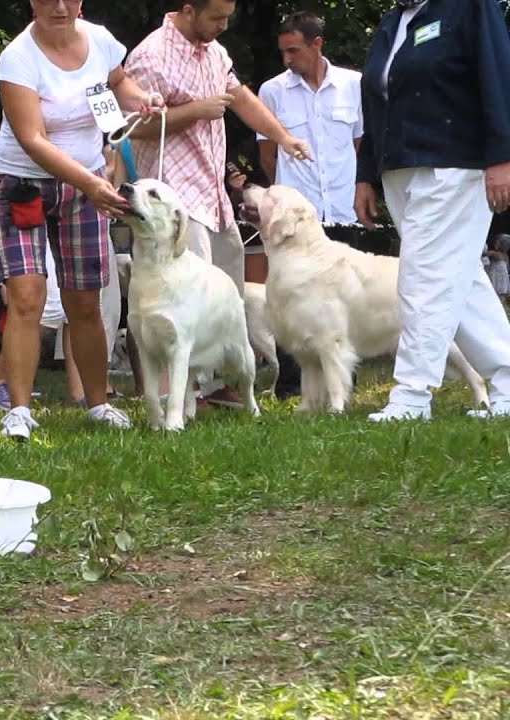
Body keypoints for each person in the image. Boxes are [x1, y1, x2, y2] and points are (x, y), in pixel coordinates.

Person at [0, 0, 164, 441]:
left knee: (85, 299)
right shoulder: (17, 58)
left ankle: (98, 404)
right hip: (20, 182)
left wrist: (142, 99)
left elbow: (118, 82)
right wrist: (92, 183)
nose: (60, 7)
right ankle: (18, 412)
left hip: (85, 182)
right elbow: (32, 139)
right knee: (26, 296)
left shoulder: (100, 40)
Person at [123, 0, 312, 408]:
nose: (223, 25)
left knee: (226, 293)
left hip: (212, 193)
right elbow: (133, 125)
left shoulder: (215, 52)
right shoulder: (151, 55)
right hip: (174, 198)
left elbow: (240, 98)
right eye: (216, 17)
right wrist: (195, 111)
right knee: (184, 299)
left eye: (228, 17)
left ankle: (214, 384)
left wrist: (283, 137)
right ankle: (181, 395)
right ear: (189, 10)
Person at [354, 0, 510, 421]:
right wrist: (365, 174)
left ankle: (412, 395)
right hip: (399, 168)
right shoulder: (393, 21)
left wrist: (502, 156)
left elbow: (499, 77)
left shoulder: (470, 7)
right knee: (459, 279)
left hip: (455, 166)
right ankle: (508, 384)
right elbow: (375, 102)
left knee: (423, 278)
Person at [257, 12, 363, 228]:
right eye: (283, 52)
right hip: (294, 221)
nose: (287, 60)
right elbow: (267, 158)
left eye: (293, 51)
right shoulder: (272, 91)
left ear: (317, 43)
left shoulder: (354, 84)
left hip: (343, 212)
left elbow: (357, 145)